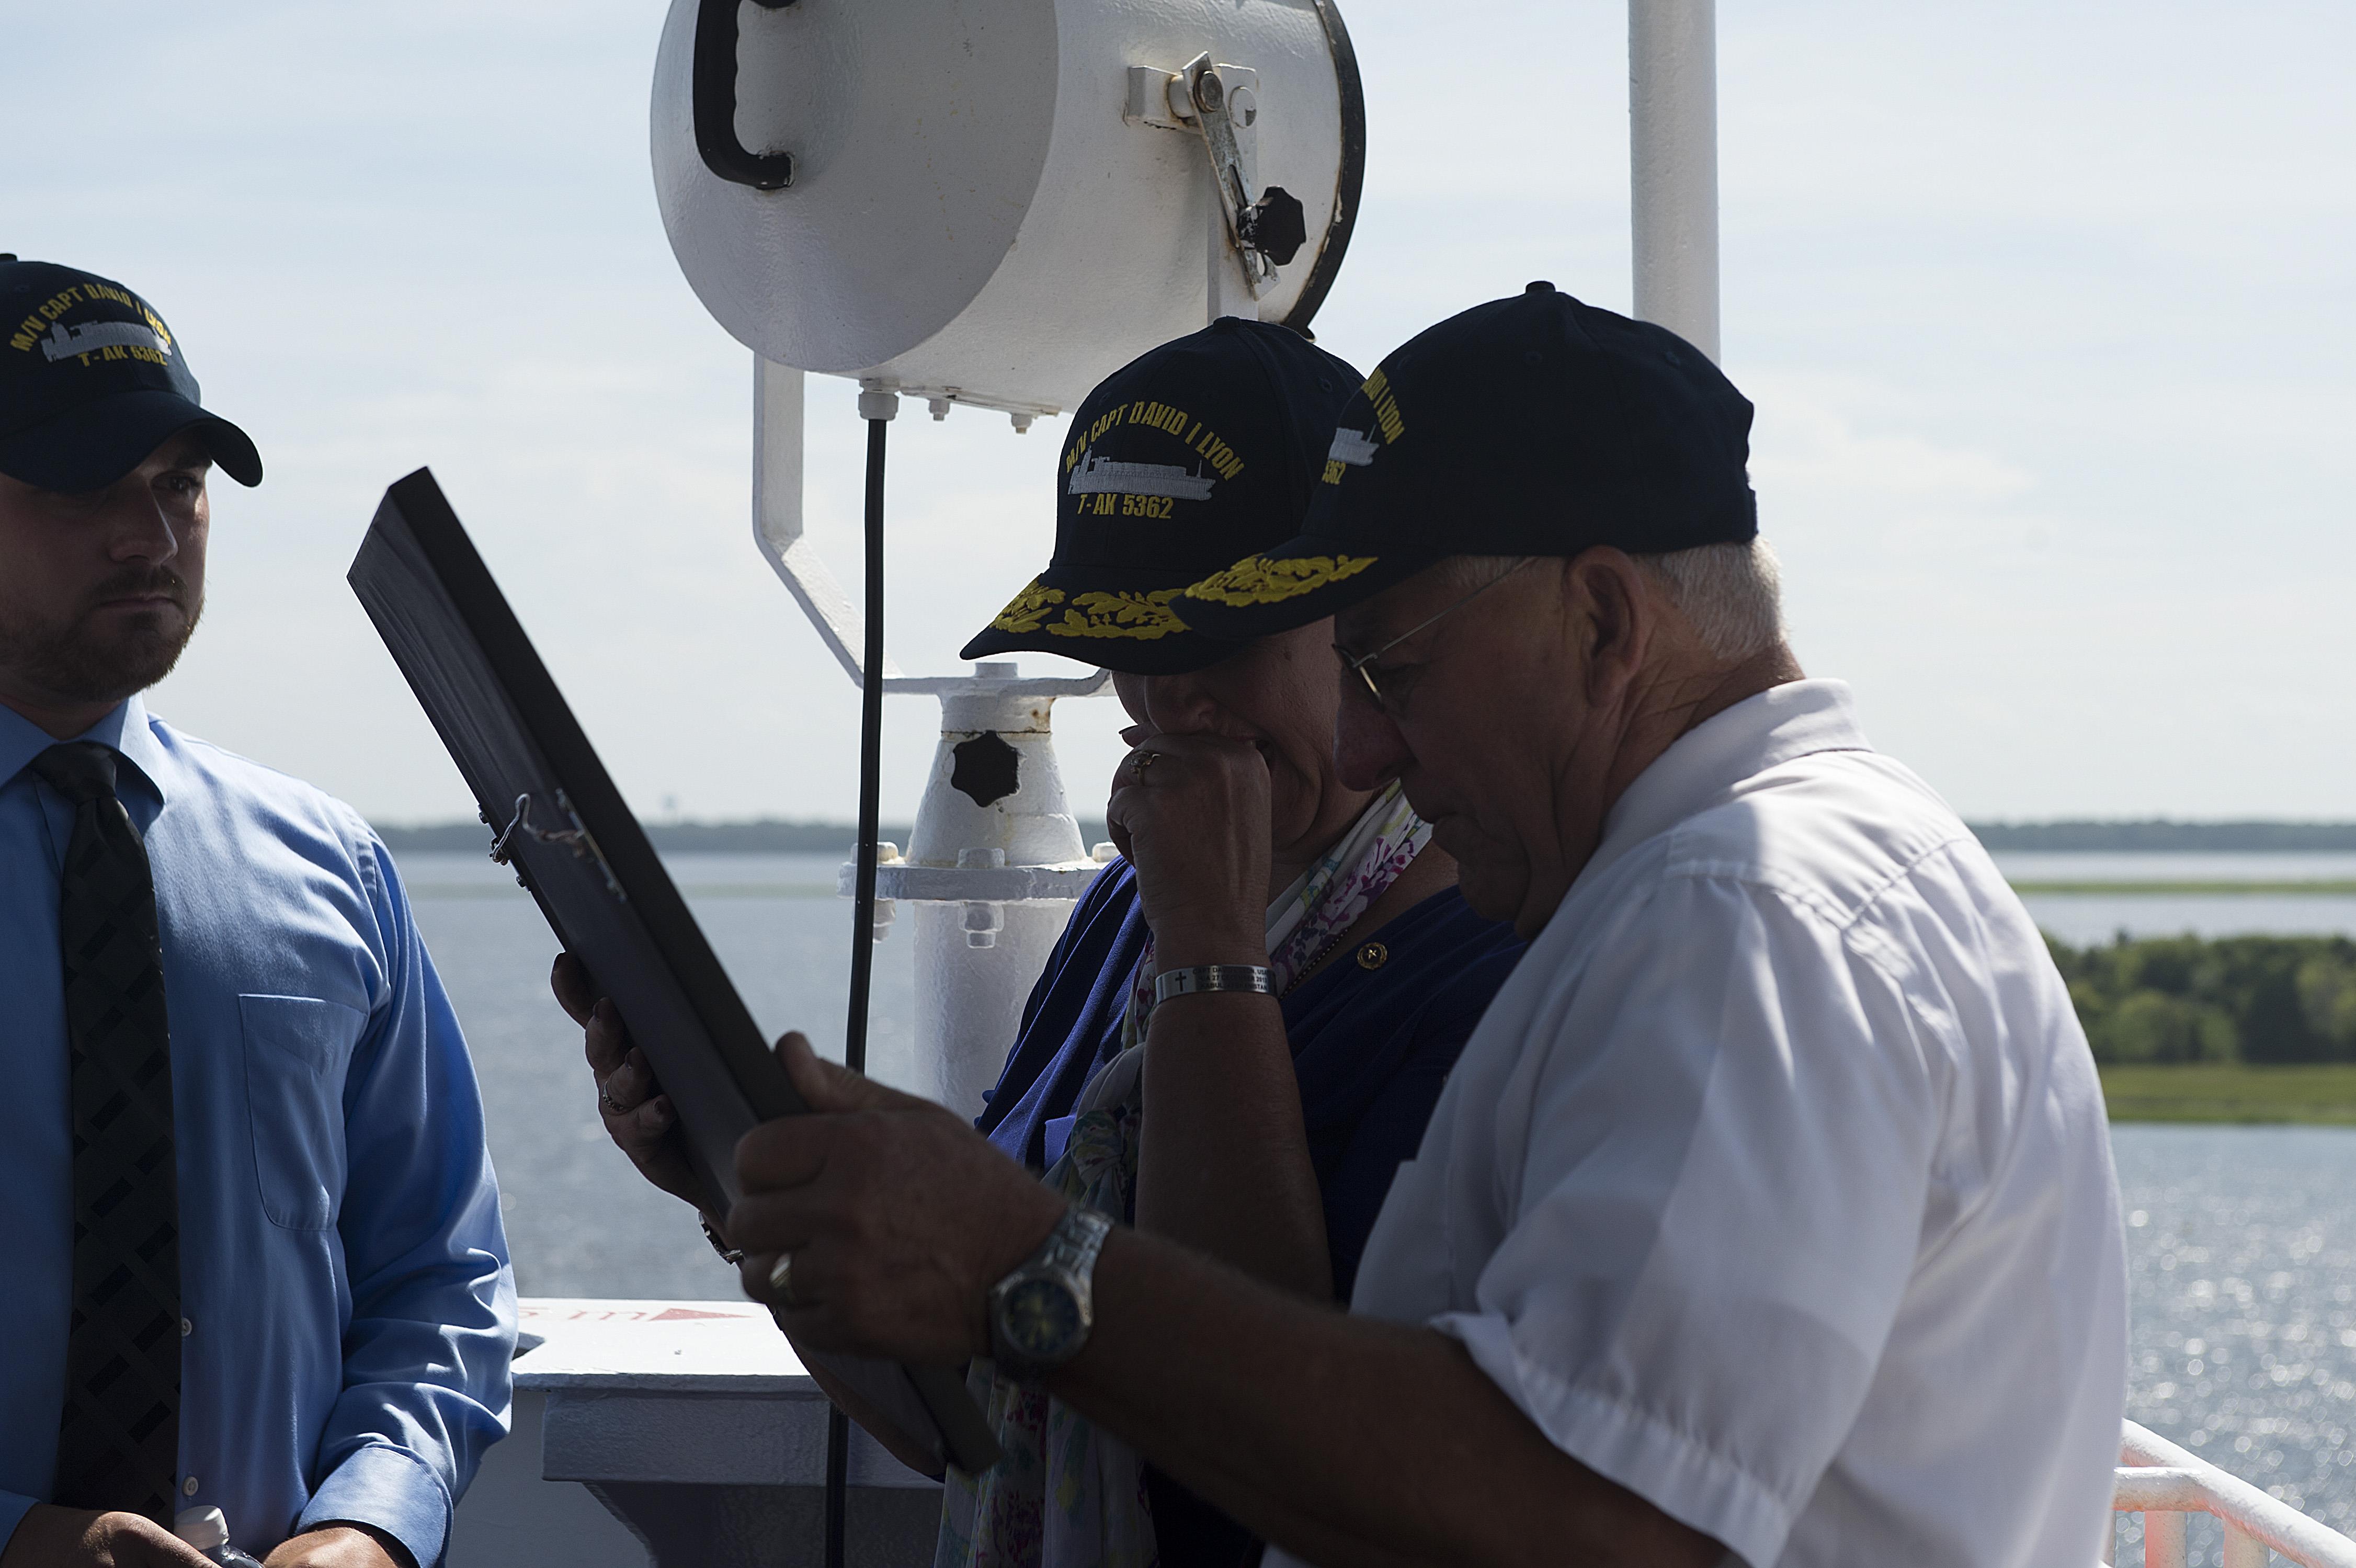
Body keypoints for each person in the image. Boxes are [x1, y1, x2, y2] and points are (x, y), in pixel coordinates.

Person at [708, 285, 2131, 1567]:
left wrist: (1033, 1265)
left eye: (1394, 665)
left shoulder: (1743, 914)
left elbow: (1595, 1516)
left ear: (1600, 619)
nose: (1371, 744)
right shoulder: (1727, 889)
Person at [557, 316, 1524, 1566]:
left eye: (1214, 638)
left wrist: (1213, 952)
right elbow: (966, 1402)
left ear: (1357, 608)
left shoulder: (1484, 972)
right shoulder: (1124, 922)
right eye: (1128, 646)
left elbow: (1246, 1440)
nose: (1172, 700)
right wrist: (730, 1180)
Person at [0, 259, 515, 1568]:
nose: (152, 534)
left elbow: (441, 1271)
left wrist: (368, 1523)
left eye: (179, 483)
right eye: (83, 482)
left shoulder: (326, 863)